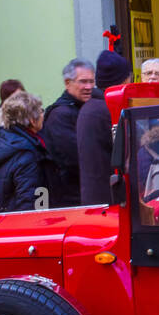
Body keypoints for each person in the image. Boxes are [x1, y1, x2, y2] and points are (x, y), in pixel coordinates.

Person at [0, 91, 56, 212]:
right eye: (40, 111)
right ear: (32, 120)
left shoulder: (2, 142)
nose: (43, 115)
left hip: (5, 219)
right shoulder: (27, 154)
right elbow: (30, 202)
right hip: (27, 224)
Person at [78, 48, 131, 205]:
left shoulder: (91, 107)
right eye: (129, 77)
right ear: (122, 80)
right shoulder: (108, 110)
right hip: (109, 199)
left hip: (95, 196)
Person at [41, 58, 95, 207]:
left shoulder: (85, 108)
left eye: (92, 81)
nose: (89, 87)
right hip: (70, 197)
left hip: (82, 193)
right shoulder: (60, 115)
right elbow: (75, 158)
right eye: (83, 81)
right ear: (67, 83)